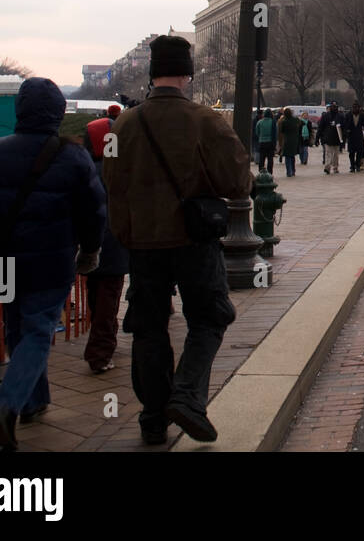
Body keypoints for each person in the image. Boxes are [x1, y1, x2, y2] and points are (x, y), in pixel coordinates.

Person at [103, 35, 251, 445]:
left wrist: (125, 234)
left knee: (148, 327)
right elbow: (238, 184)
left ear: (152, 74)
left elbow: (111, 184)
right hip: (193, 239)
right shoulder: (205, 120)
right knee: (210, 317)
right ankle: (186, 396)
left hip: (143, 243)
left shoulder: (124, 124)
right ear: (188, 73)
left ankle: (153, 418)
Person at [0, 77, 107, 450]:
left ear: (19, 111)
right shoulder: (73, 157)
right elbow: (93, 213)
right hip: (51, 261)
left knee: (16, 328)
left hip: (2, 258)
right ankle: (8, 405)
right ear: (57, 112)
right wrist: (90, 252)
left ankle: (33, 401)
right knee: (38, 331)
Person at [81, 103, 129, 375]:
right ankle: (100, 350)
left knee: (96, 294)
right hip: (114, 243)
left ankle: (102, 339)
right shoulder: (119, 169)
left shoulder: (84, 169)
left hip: (90, 243)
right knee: (108, 297)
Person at [319, 103, 343, 174]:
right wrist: (319, 137)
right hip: (328, 138)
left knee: (335, 154)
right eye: (332, 107)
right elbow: (321, 127)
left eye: (335, 107)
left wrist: (343, 138)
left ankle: (335, 167)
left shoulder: (340, 116)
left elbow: (343, 127)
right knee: (328, 153)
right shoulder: (325, 116)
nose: (333, 108)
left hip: (337, 138)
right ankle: (327, 167)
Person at [277, 107, 301, 177]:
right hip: (295, 140)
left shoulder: (284, 121)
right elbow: (300, 124)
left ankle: (289, 171)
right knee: (292, 156)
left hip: (287, 140)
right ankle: (293, 170)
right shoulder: (296, 120)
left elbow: (282, 131)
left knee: (287, 156)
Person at [345, 102, 364, 172]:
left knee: (359, 152)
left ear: (359, 108)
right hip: (351, 136)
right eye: (354, 107)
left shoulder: (362, 115)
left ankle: (357, 165)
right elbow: (345, 124)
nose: (355, 109)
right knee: (351, 153)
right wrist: (347, 130)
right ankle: (352, 166)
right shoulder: (348, 115)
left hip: (359, 136)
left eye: (356, 107)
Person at [254, 109, 276, 174]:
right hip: (270, 142)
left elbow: (257, 132)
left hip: (262, 142)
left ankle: (261, 171)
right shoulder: (273, 122)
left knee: (262, 158)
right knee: (270, 159)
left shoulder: (259, 122)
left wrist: (261, 137)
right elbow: (275, 133)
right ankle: (270, 172)